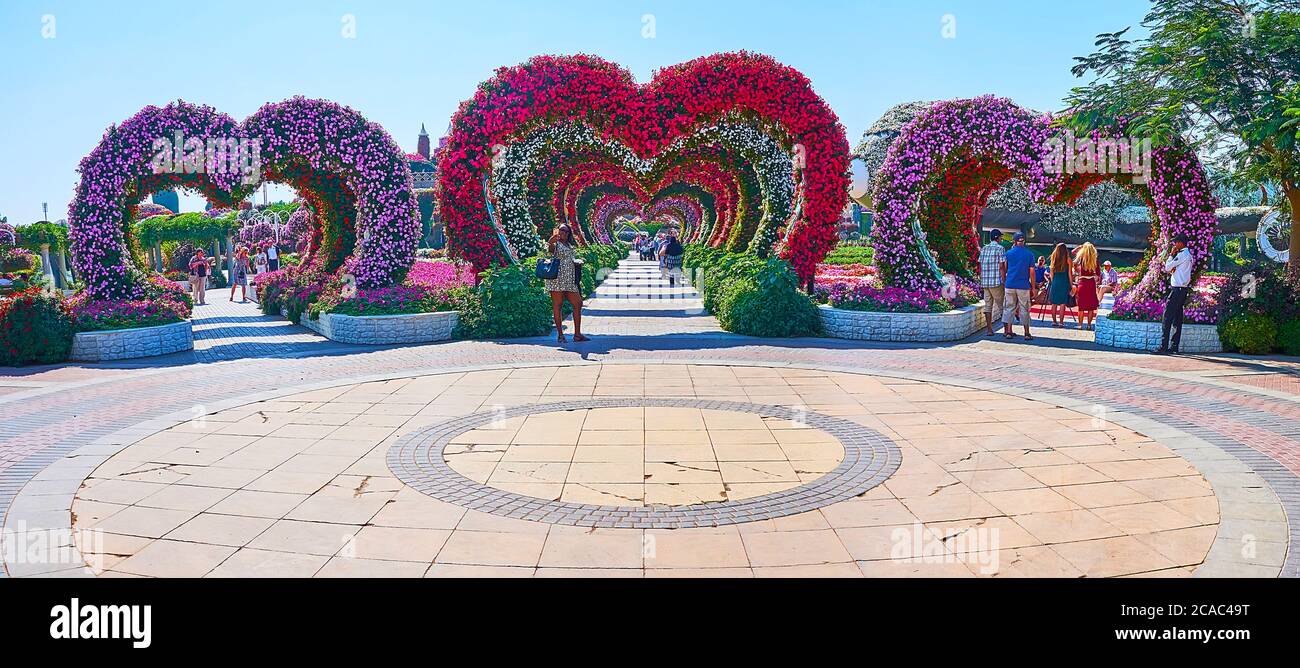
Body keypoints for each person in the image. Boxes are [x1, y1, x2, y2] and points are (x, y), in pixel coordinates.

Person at [546, 224, 588, 343]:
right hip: (557, 280)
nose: (564, 232)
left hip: (569, 280)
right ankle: (560, 335)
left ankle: (577, 334)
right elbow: (550, 248)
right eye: (562, 230)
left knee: (578, 303)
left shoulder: (568, 245)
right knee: (558, 305)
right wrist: (551, 241)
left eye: (566, 231)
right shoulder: (556, 244)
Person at [1156, 235, 1194, 355]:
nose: (1174, 245)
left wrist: (1171, 255)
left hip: (1177, 289)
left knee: (1167, 317)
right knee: (1177, 318)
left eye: (1176, 243)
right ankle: (1174, 346)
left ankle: (1163, 346)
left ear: (1181, 243)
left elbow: (1168, 267)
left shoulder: (1182, 255)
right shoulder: (1188, 255)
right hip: (1182, 290)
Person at [1002, 232, 1037, 340]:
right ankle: (1026, 333)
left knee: (1009, 308)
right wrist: (1034, 287)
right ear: (1023, 241)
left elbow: (1004, 268)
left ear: (1014, 241)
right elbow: (1032, 272)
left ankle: (1008, 331)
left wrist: (1004, 281)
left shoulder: (1008, 253)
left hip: (1010, 284)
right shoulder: (1029, 254)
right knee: (1024, 308)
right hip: (1023, 285)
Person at [977, 229, 1007, 336]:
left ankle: (989, 330)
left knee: (988, 306)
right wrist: (1004, 280)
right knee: (1002, 306)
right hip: (996, 282)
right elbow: (1001, 267)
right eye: (1000, 237)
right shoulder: (1000, 249)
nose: (1001, 239)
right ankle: (1006, 330)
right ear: (998, 237)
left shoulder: (984, 249)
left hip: (985, 282)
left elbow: (980, 265)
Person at [1074, 242, 1101, 330]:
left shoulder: (1081, 258)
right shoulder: (1095, 260)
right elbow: (1098, 274)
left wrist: (1080, 247)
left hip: (1082, 282)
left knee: (1081, 306)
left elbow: (1073, 253)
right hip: (1091, 283)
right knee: (1091, 306)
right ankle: (1089, 325)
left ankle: (1080, 325)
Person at [1047, 243, 1073, 328]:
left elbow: (1051, 274)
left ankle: (1054, 321)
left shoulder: (1054, 259)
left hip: (1055, 281)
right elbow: (1070, 274)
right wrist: (1071, 285)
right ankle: (1061, 322)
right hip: (1064, 282)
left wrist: (1053, 281)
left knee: (1054, 303)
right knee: (1063, 303)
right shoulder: (1068, 259)